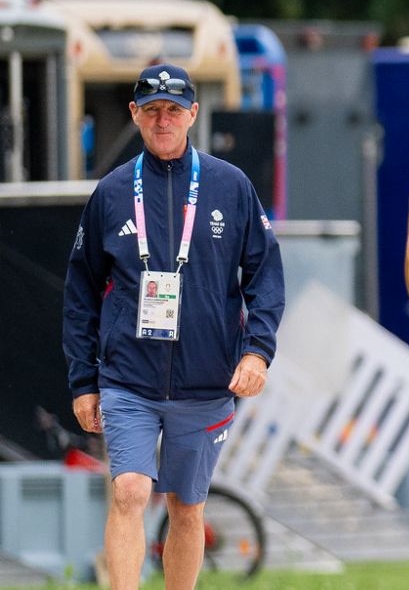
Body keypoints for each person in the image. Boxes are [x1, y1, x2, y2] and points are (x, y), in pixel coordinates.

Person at [63, 63, 285, 590]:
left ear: (193, 114)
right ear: (135, 114)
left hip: (206, 380)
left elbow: (265, 275)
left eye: (174, 110)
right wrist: (83, 382)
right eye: (153, 110)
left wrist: (257, 352)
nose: (163, 120)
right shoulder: (112, 192)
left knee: (187, 507)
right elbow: (80, 293)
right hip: (129, 380)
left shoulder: (230, 186)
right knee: (130, 491)